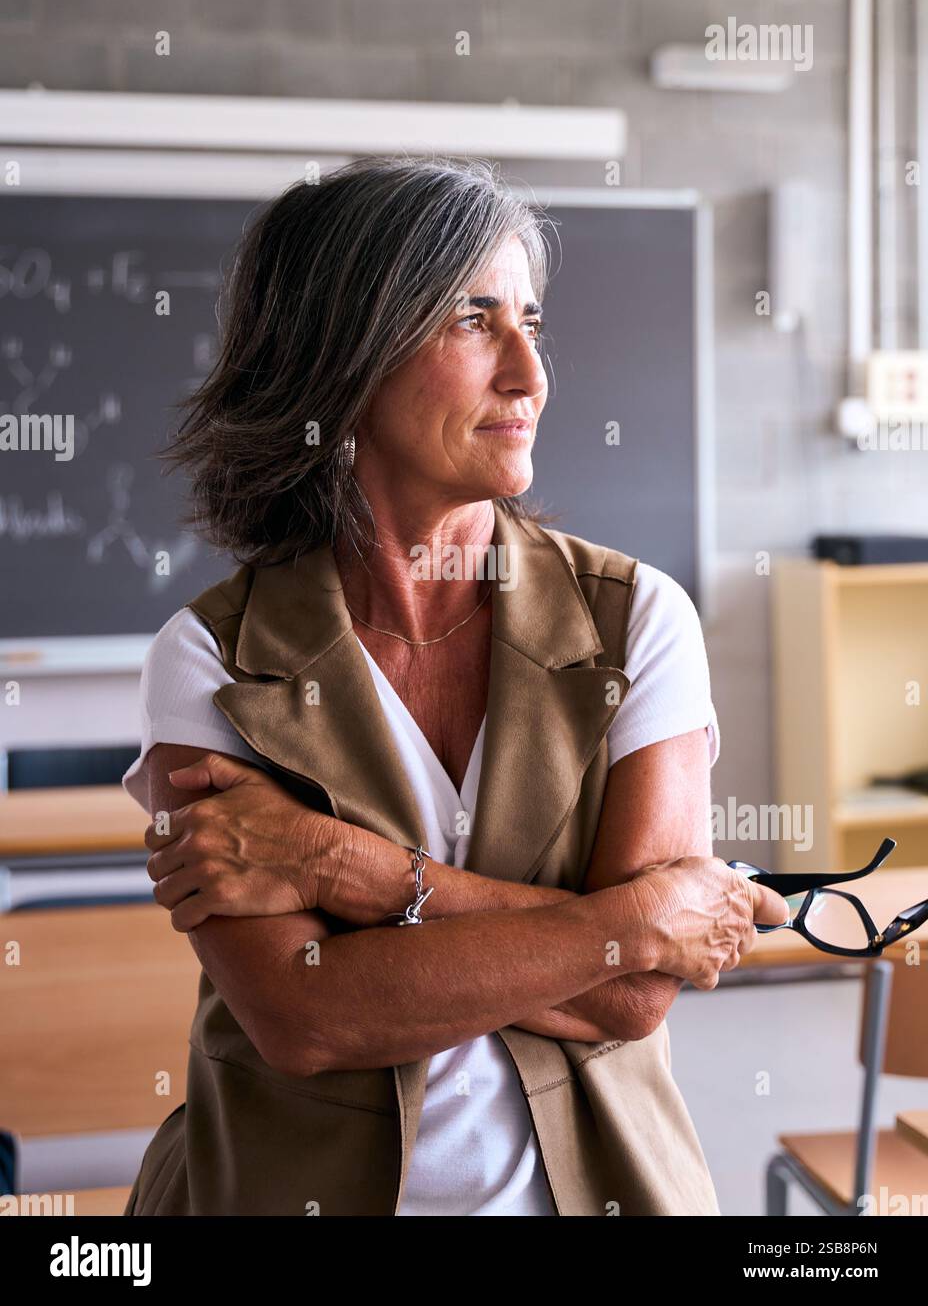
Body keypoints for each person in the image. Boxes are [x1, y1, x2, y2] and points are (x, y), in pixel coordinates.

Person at [122, 154, 788, 1217]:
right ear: (344, 357)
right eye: (474, 321)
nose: (529, 373)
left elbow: (633, 991)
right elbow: (305, 1018)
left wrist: (356, 872)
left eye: (531, 320)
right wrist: (624, 917)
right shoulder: (213, 658)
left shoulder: (637, 620)